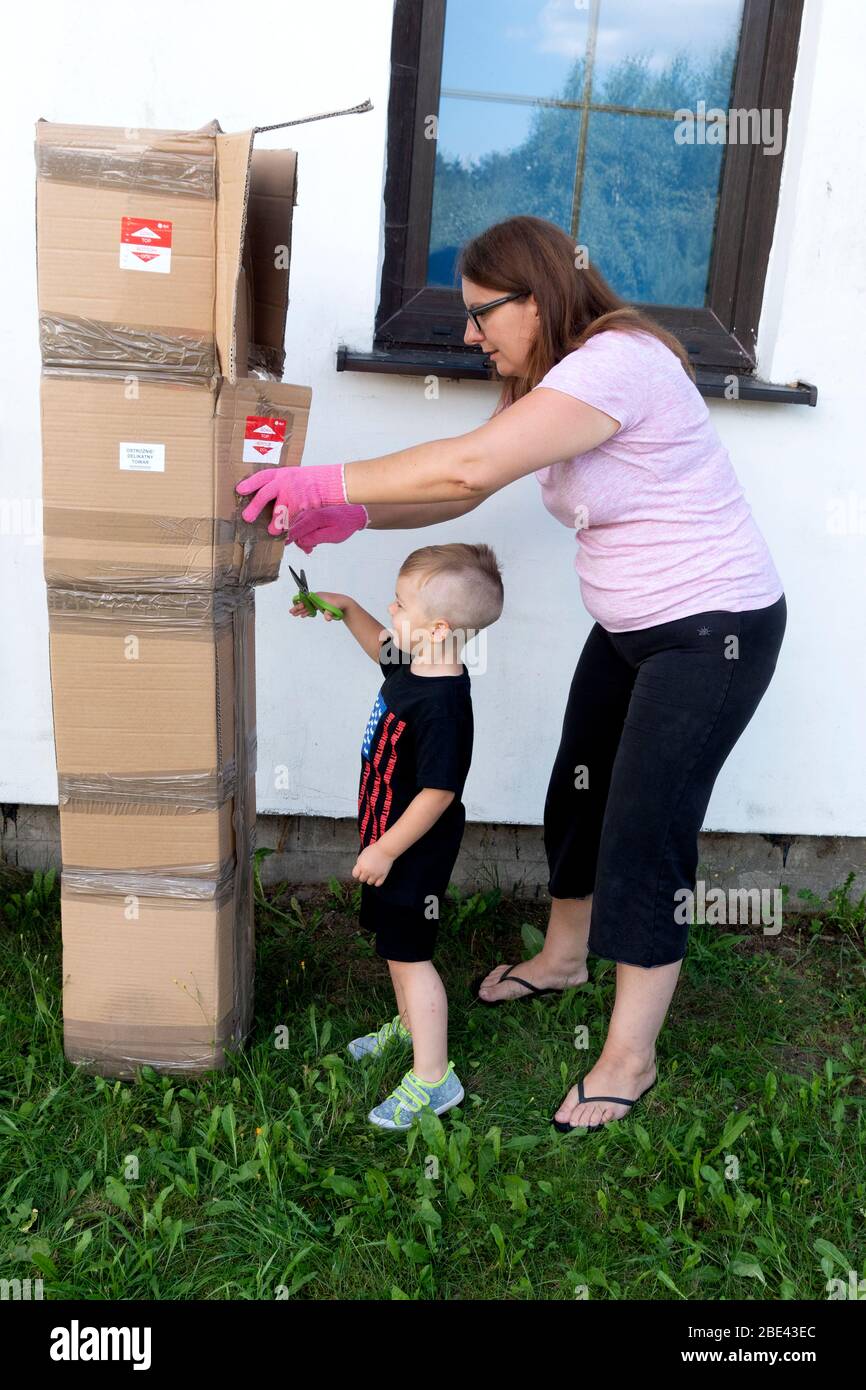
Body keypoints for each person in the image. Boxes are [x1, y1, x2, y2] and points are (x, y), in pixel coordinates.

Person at [238, 214, 787, 1134]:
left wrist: (319, 483)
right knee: (577, 800)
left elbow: (462, 469)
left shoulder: (620, 361)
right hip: (631, 629)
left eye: (480, 314)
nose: (468, 335)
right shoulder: (557, 381)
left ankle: (629, 1057)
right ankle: (565, 958)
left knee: (645, 835)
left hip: (713, 630)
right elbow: (472, 483)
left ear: (536, 298)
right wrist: (354, 519)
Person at [289, 542, 503, 1130]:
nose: (391, 612)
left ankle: (435, 1079)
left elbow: (438, 794)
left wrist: (386, 849)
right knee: (391, 945)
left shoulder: (444, 707)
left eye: (401, 605)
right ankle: (407, 1027)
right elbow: (380, 644)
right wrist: (345, 607)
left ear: (437, 629)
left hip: (412, 850)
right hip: (385, 836)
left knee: (411, 956)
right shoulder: (416, 663)